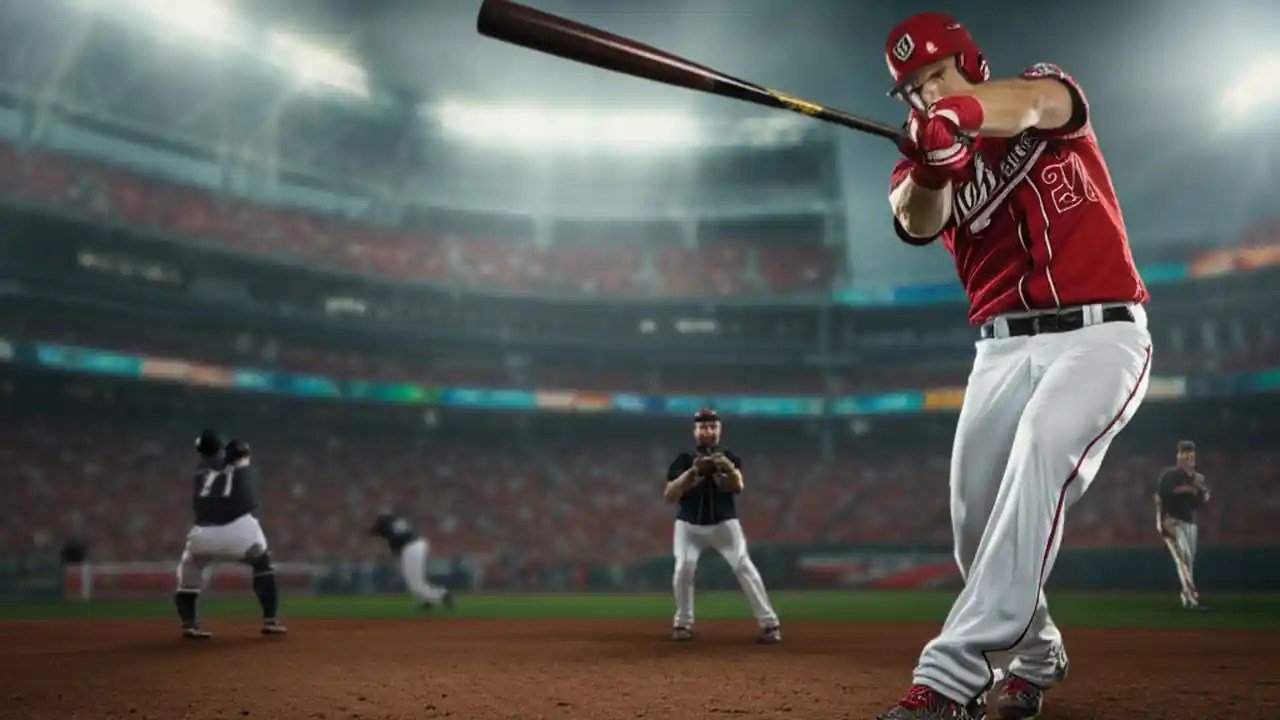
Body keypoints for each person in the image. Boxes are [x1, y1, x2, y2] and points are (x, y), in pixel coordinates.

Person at [877, 12, 1153, 720]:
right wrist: (936, 162)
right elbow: (916, 218)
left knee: (1039, 453)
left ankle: (950, 675)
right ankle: (1038, 653)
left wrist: (959, 114)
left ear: (971, 62)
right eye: (911, 87)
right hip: (999, 350)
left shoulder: (1042, 90)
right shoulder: (916, 158)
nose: (924, 92)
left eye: (936, 73)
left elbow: (1028, 105)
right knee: (972, 527)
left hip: (1100, 336)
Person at [663, 407, 780, 644]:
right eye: (703, 426)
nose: (708, 431)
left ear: (720, 429)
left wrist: (727, 468)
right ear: (695, 431)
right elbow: (670, 495)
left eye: (713, 426)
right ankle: (682, 623)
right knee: (684, 567)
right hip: (689, 525)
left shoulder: (729, 457)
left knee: (743, 565)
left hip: (724, 524)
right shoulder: (683, 459)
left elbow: (736, 487)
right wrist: (693, 472)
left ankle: (770, 623)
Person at [174, 430, 287, 639]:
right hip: (240, 530)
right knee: (262, 564)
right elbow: (241, 454)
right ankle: (270, 620)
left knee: (188, 576)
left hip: (202, 536)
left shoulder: (199, 472)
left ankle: (189, 624)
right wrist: (237, 450)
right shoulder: (234, 462)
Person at [1155, 440, 1210, 610]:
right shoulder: (1169, 475)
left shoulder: (1198, 478)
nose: (1189, 457)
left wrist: (1203, 492)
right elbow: (1160, 498)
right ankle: (1192, 595)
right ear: (1178, 456)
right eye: (1185, 454)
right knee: (1183, 557)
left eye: (1191, 455)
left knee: (1188, 561)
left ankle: (1186, 596)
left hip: (1190, 523)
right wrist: (1159, 521)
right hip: (1171, 520)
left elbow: (1202, 501)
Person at [370, 511, 453, 610]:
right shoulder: (397, 523)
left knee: (415, 585)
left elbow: (393, 547)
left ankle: (441, 595)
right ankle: (430, 600)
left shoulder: (389, 529)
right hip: (418, 544)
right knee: (416, 581)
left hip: (411, 548)